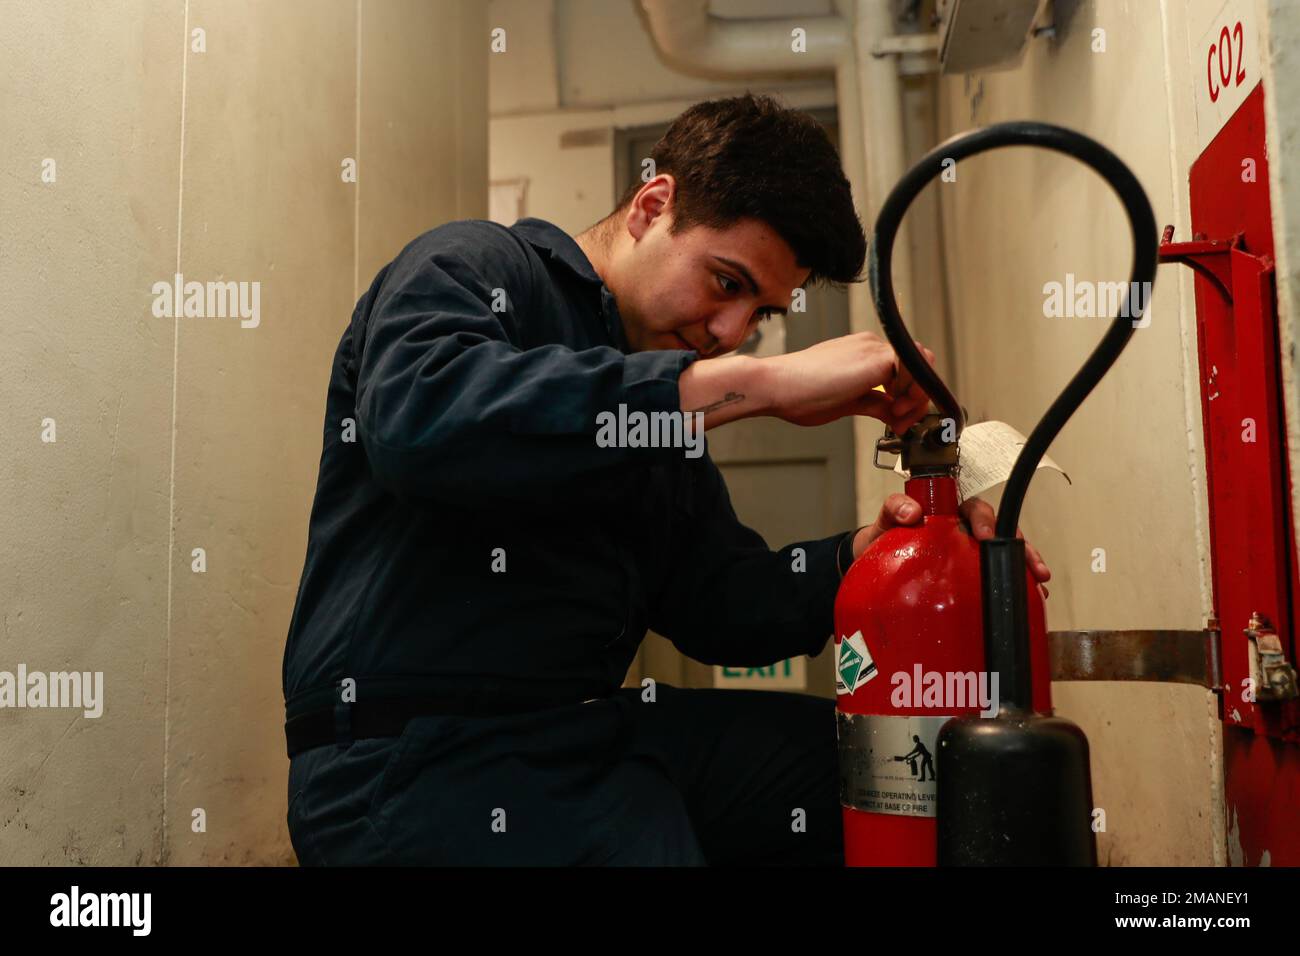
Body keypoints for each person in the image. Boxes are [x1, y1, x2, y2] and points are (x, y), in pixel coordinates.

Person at [281, 93, 1050, 866]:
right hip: (405, 761)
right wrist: (764, 384)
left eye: (761, 314)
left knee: (894, 774)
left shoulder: (658, 398)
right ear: (654, 204)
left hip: (583, 735)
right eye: (726, 283)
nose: (730, 332)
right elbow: (422, 423)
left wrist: (874, 553)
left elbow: (722, 605)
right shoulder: (476, 265)